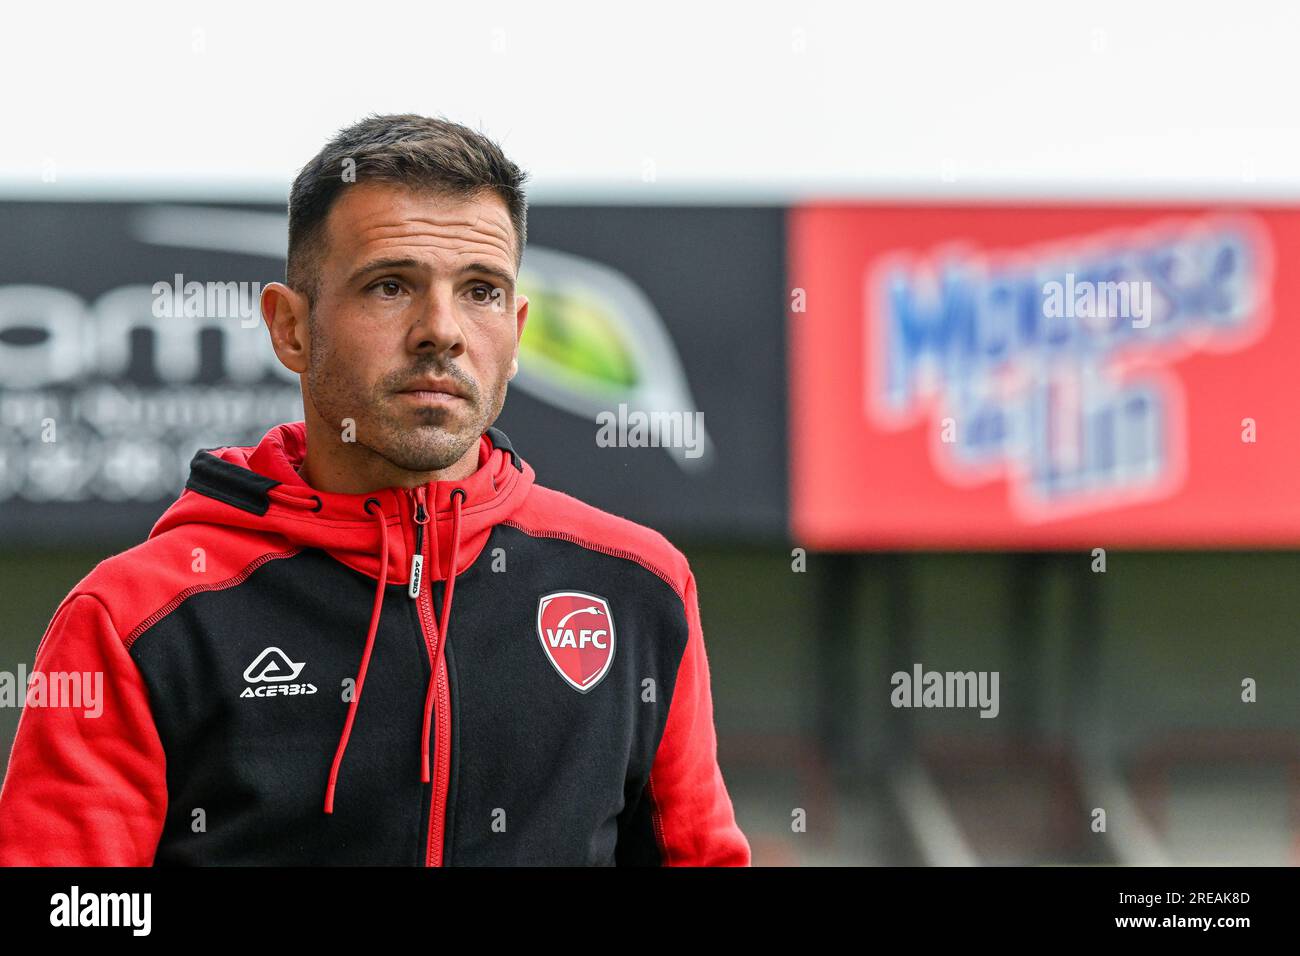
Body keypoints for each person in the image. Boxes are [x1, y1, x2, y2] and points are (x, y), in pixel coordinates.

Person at [0, 114, 751, 866]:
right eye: (391, 285)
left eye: (481, 291)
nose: (442, 331)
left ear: (518, 334)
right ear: (290, 328)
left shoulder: (639, 586)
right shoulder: (134, 619)